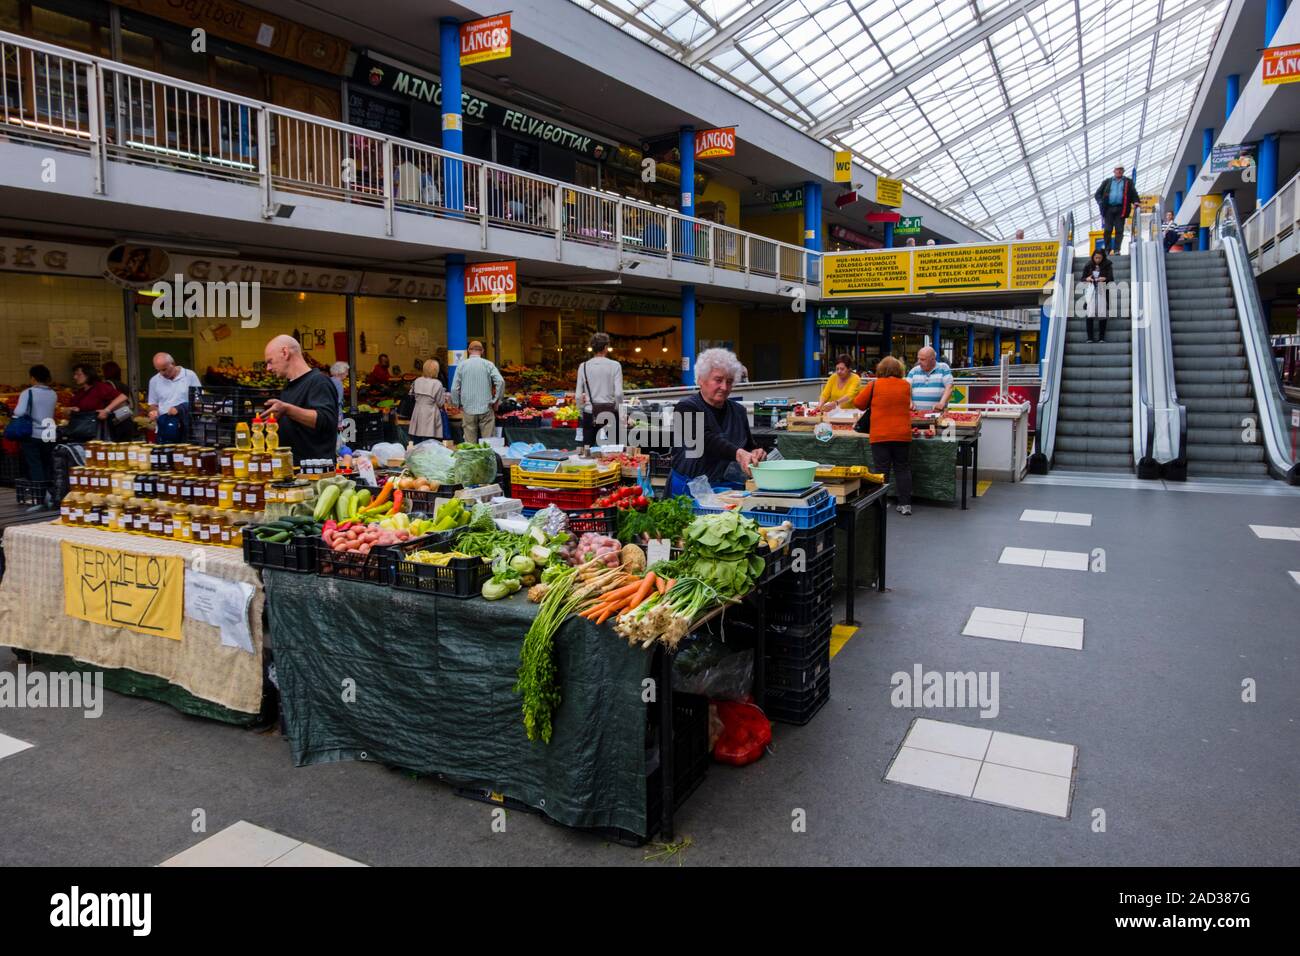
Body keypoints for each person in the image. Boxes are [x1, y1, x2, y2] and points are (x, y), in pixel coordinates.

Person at [668, 348, 765, 496]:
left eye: (729, 382)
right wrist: (739, 454)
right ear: (701, 379)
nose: (724, 387)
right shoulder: (685, 408)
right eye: (718, 380)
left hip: (726, 490)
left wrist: (755, 453)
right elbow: (705, 439)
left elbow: (747, 445)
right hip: (689, 490)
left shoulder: (738, 411)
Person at [263, 334, 341, 464]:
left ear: (285, 352)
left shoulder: (319, 382)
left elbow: (326, 421)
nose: (268, 368)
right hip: (292, 472)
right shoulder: (289, 387)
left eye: (270, 361)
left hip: (315, 474)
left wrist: (287, 409)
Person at [854, 356, 913, 516]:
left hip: (880, 434)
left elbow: (858, 403)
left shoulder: (875, 385)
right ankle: (905, 504)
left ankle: (881, 503)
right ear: (899, 370)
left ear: (880, 369)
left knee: (881, 470)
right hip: (902, 434)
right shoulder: (906, 385)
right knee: (903, 468)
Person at [13, 365, 57, 507]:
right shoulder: (53, 393)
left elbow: (19, 412)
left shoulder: (28, 392)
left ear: (33, 378)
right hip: (49, 433)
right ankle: (51, 495)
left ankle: (40, 497)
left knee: (35, 465)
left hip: (32, 433)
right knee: (47, 464)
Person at [448, 340, 504, 443]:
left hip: (468, 408)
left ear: (469, 351)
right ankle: (487, 458)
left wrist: (457, 405)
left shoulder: (461, 365)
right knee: (488, 443)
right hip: (486, 407)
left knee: (470, 444)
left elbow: (454, 389)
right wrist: (496, 400)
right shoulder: (488, 364)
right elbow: (500, 381)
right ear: (482, 351)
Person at [576, 333, 623, 445]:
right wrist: (619, 409)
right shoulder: (615, 365)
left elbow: (578, 395)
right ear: (606, 347)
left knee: (587, 449)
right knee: (613, 450)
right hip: (610, 412)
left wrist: (581, 410)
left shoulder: (584, 366)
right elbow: (618, 393)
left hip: (590, 412)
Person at [65, 363, 129, 441]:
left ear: (88, 375)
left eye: (78, 374)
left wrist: (106, 410)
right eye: (74, 374)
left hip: (98, 431)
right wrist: (70, 410)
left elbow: (122, 397)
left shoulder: (100, 387)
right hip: (83, 431)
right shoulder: (80, 392)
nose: (75, 377)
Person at [146, 352, 201, 443]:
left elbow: (199, 401)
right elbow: (153, 404)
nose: (162, 373)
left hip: (187, 426)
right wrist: (153, 411)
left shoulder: (189, 375)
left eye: (164, 369)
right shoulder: (154, 380)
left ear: (173, 364)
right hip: (165, 426)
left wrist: (180, 408)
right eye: (158, 370)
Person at [1094, 165, 1138, 254]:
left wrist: (1136, 201)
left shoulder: (1128, 182)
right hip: (1108, 209)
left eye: (1121, 170)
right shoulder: (1107, 182)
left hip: (1121, 209)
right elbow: (1097, 194)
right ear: (1114, 171)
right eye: (1117, 170)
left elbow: (1133, 194)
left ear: (1123, 172)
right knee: (1107, 230)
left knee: (1119, 230)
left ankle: (1117, 249)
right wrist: (1100, 202)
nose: (1119, 172)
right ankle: (1107, 249)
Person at [1080, 248, 1114, 343]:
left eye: (1100, 258)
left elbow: (1111, 278)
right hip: (1091, 291)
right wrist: (1087, 278)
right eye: (1096, 258)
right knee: (1089, 313)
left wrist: (1105, 278)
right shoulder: (1088, 265)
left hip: (1103, 290)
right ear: (1093, 257)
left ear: (1103, 257)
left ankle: (1101, 337)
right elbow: (1082, 278)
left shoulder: (1108, 264)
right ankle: (1090, 337)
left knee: (1102, 313)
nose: (1097, 260)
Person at [408, 359, 446, 442]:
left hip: (417, 412)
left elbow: (411, 394)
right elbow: (440, 403)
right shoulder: (437, 383)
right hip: (430, 413)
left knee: (417, 441)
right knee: (429, 441)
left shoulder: (417, 381)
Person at [907, 346, 954, 413]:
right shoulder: (913, 371)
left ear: (932, 359)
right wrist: (910, 402)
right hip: (916, 414)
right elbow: (906, 388)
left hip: (937, 414)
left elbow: (949, 387)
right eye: (918, 359)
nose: (919, 362)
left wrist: (941, 403)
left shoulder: (943, 368)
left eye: (922, 359)